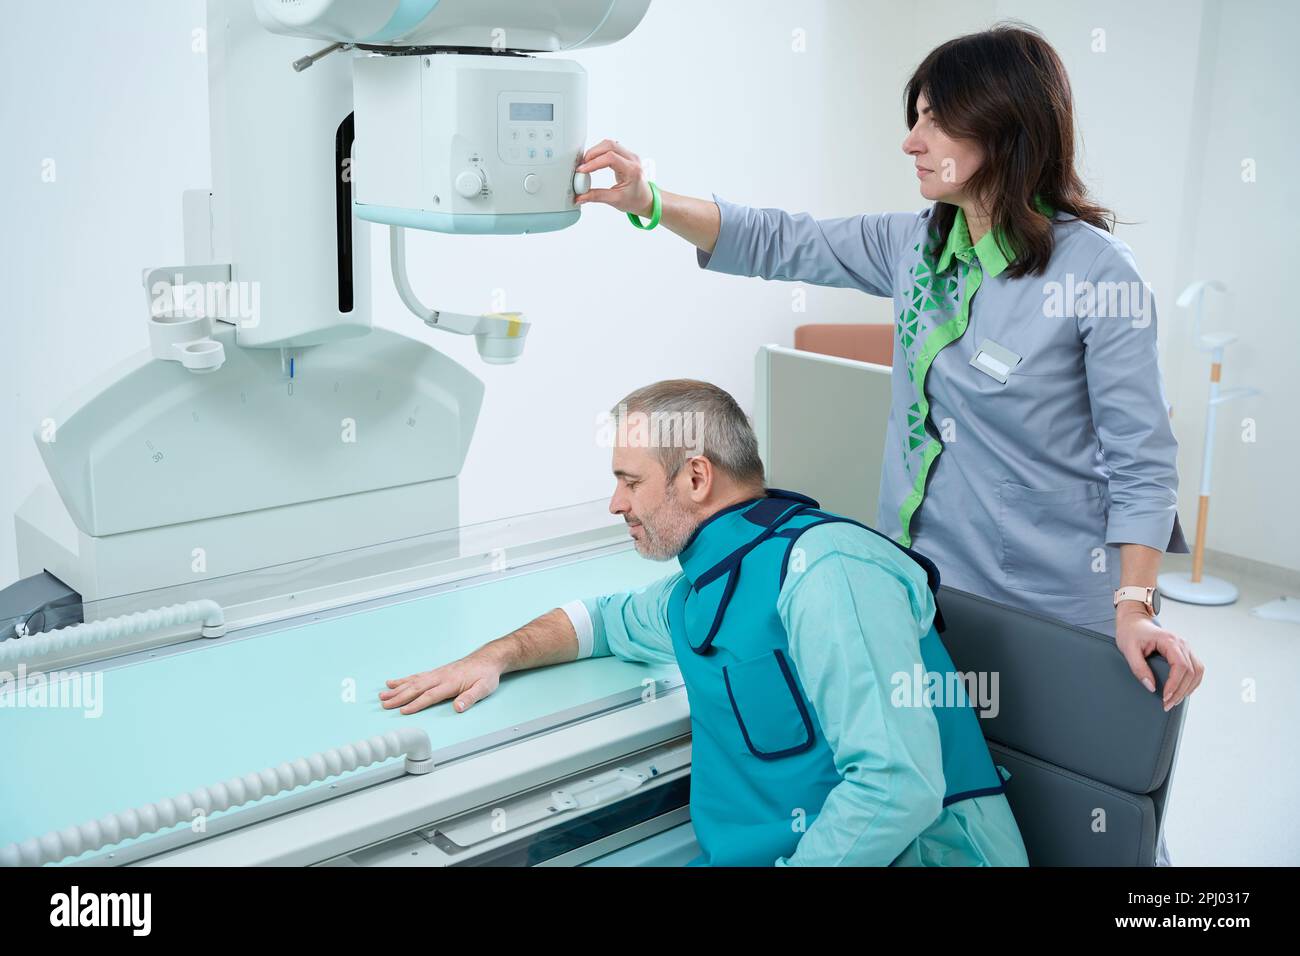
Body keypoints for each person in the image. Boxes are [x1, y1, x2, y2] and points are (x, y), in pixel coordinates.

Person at [571, 23, 1204, 715]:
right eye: (917, 118)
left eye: (935, 119)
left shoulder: (1097, 274)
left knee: (1070, 800)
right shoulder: (914, 247)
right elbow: (779, 238)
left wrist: (1135, 604)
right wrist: (649, 201)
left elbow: (1142, 459)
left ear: (1002, 126)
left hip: (1061, 602)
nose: (912, 140)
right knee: (960, 780)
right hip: (930, 585)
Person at [382, 380, 1028, 867]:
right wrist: (495, 656)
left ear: (695, 476)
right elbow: (601, 623)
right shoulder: (705, 587)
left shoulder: (829, 570)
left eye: (629, 482)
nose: (615, 503)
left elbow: (897, 788)